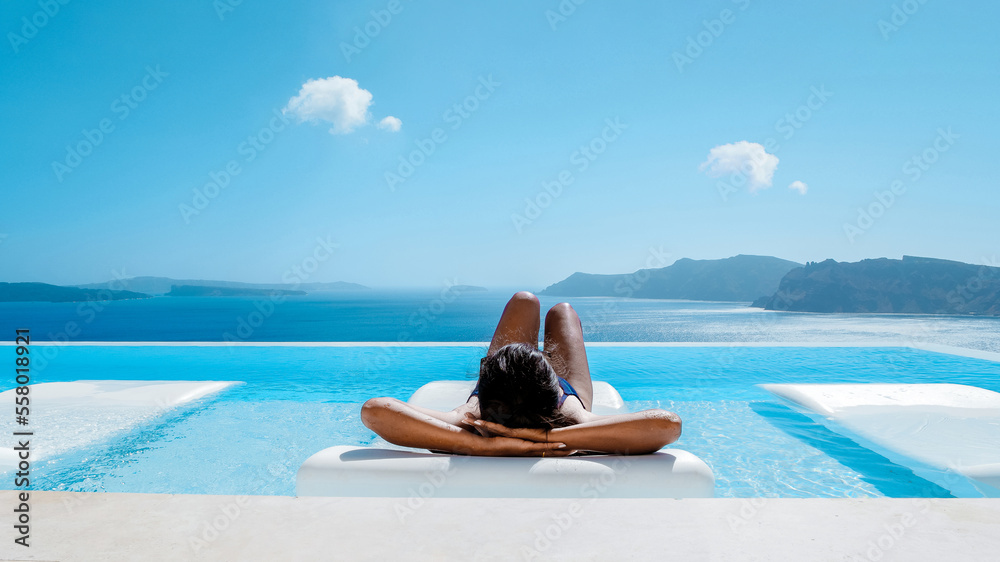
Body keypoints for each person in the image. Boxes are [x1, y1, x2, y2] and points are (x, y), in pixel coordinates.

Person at [361, 292, 681, 456]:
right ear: (553, 385)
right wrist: (549, 438)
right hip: (556, 408)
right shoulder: (573, 419)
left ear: (483, 389)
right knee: (563, 312)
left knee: (523, 301)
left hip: (505, 403)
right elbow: (667, 424)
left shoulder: (470, 419)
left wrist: (480, 446)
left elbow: (375, 411)